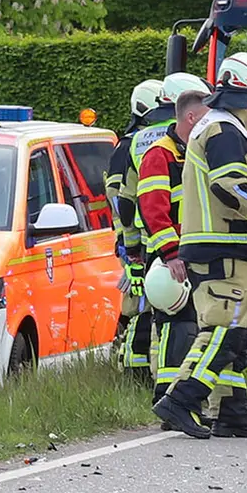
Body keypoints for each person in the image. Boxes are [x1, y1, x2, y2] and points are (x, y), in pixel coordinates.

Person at [151, 52, 247, 440]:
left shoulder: (222, 127)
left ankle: (232, 412)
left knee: (235, 335)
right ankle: (182, 399)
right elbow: (231, 185)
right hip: (223, 249)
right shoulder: (225, 131)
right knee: (222, 332)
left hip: (229, 249)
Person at [135, 73, 211, 404]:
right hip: (171, 258)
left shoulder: (195, 151)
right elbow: (153, 209)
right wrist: (170, 253)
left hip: (193, 252)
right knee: (176, 326)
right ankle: (166, 396)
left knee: (192, 326)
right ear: (190, 117)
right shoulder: (160, 154)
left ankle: (182, 396)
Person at [107, 78, 164, 382]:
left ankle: (139, 368)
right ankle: (132, 371)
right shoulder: (129, 145)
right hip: (134, 240)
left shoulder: (138, 141)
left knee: (148, 303)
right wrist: (128, 243)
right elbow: (119, 199)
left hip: (145, 236)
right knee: (138, 305)